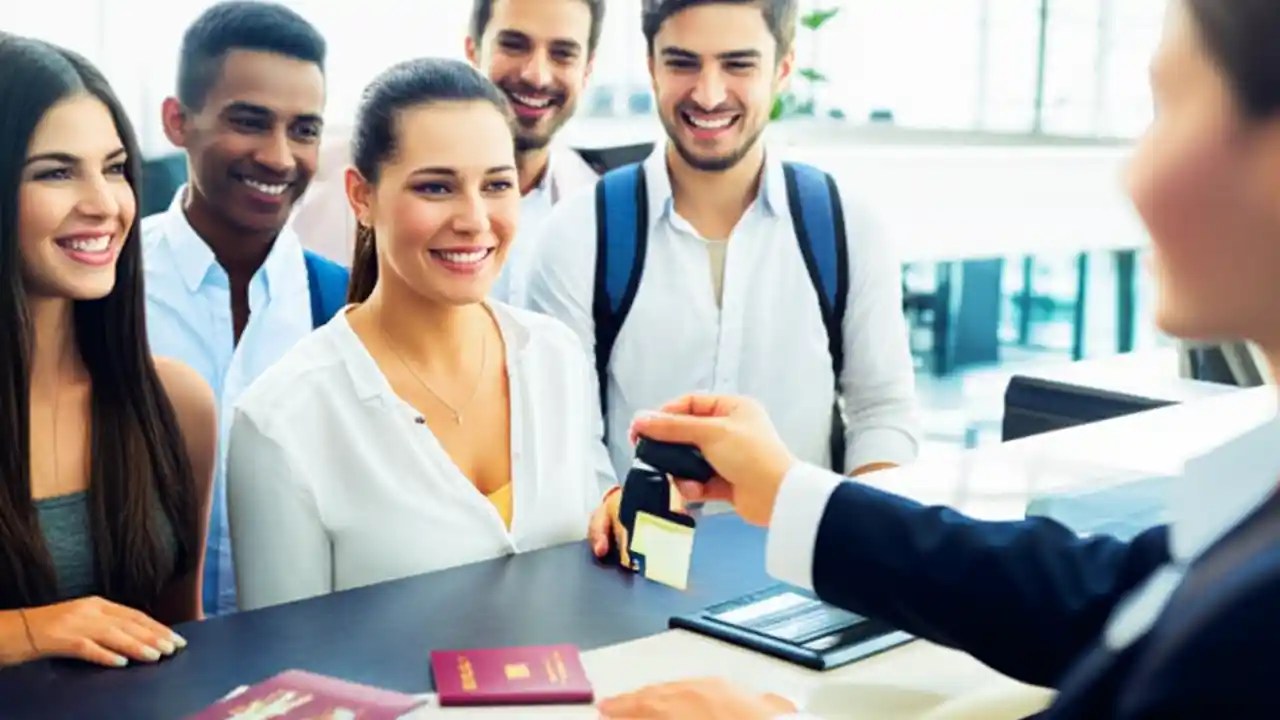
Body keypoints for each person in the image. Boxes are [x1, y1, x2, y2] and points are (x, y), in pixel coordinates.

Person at [598, 0, 1280, 716]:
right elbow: (1093, 592)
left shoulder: (1252, 624)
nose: (1134, 176)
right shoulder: (1245, 534)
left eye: (1172, 107)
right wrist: (792, 492)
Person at [226, 58, 627, 612]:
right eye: (436, 187)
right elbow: (287, 671)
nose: (474, 219)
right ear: (361, 197)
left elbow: (585, 555)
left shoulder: (555, 356)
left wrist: (620, 517)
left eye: (496, 185)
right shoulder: (281, 421)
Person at [524, 0, 920, 484]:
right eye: (683, 63)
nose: (709, 95)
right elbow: (565, 440)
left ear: (783, 69)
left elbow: (882, 412)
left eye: (738, 64)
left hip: (801, 555)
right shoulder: (578, 234)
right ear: (651, 67)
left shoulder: (848, 230)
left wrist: (866, 537)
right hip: (627, 556)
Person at [0, 35, 215, 669]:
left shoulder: (175, 404)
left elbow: (182, 640)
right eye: (56, 172)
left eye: (116, 167)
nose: (104, 205)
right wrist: (32, 631)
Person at [141, 1, 347, 617]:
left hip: (299, 665)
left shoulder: (343, 302)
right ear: (178, 122)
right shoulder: (104, 289)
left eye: (304, 129)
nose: (281, 157)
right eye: (250, 122)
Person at [288, 0, 604, 305]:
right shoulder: (333, 183)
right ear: (473, 50)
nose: (536, 75)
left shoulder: (603, 212)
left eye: (562, 54)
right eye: (514, 45)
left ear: (588, 70)